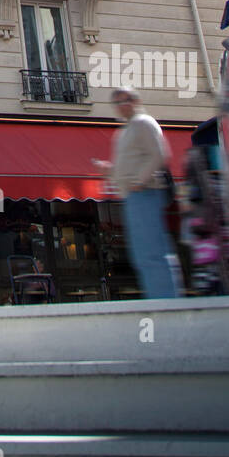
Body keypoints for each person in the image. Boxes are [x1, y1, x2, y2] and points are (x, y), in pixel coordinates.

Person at [93, 89, 181, 299]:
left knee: (152, 252)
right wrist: (110, 170)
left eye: (124, 100)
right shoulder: (124, 131)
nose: (120, 106)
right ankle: (161, 297)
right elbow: (129, 165)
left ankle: (166, 300)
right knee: (143, 254)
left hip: (146, 192)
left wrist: (140, 180)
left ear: (135, 101)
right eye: (116, 102)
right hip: (133, 196)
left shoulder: (143, 123)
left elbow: (160, 154)